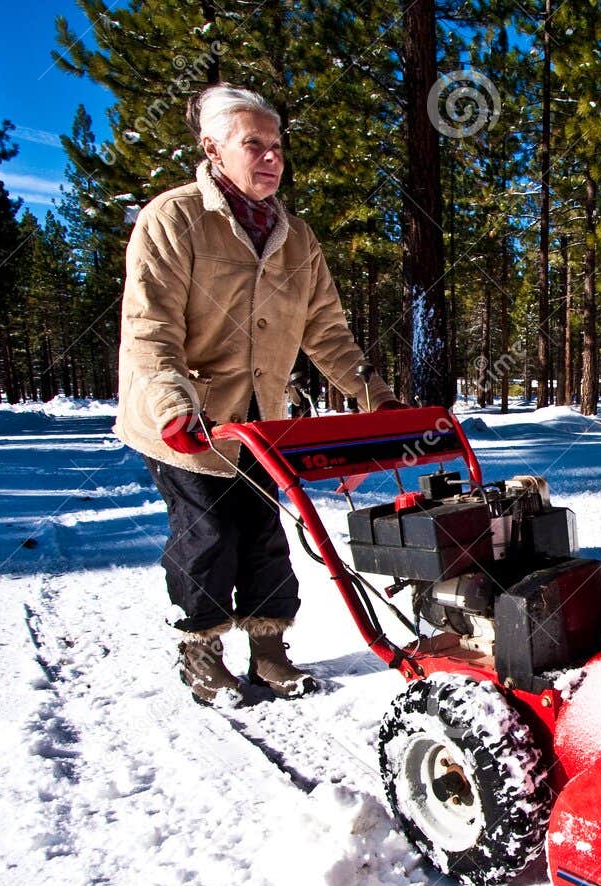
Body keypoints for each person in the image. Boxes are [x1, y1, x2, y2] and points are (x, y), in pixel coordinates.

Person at [114, 83, 402, 704]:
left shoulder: (296, 238)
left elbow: (328, 335)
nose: (271, 157)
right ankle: (200, 651)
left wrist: (376, 399)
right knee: (209, 532)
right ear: (212, 148)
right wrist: (171, 405)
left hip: (258, 419)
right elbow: (150, 326)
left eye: (277, 146)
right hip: (185, 418)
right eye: (254, 145)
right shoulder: (175, 218)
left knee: (264, 531)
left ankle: (270, 650)